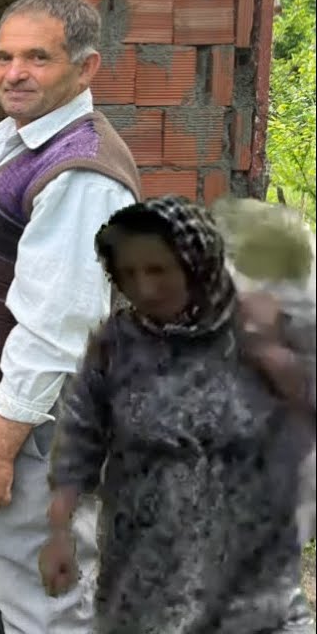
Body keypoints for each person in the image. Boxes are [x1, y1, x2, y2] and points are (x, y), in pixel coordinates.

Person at [0, 0, 142, 633]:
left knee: (42, 598)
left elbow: (54, 333)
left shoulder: (80, 173)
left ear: (86, 68)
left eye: (37, 58)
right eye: (4, 57)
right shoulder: (30, 142)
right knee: (0, 564)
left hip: (35, 416)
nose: (13, 73)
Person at [40, 195, 317, 633]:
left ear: (196, 264)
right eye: (128, 274)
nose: (144, 288)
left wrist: (274, 358)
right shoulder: (115, 345)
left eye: (158, 270)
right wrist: (58, 535)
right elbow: (78, 441)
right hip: (142, 575)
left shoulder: (262, 330)